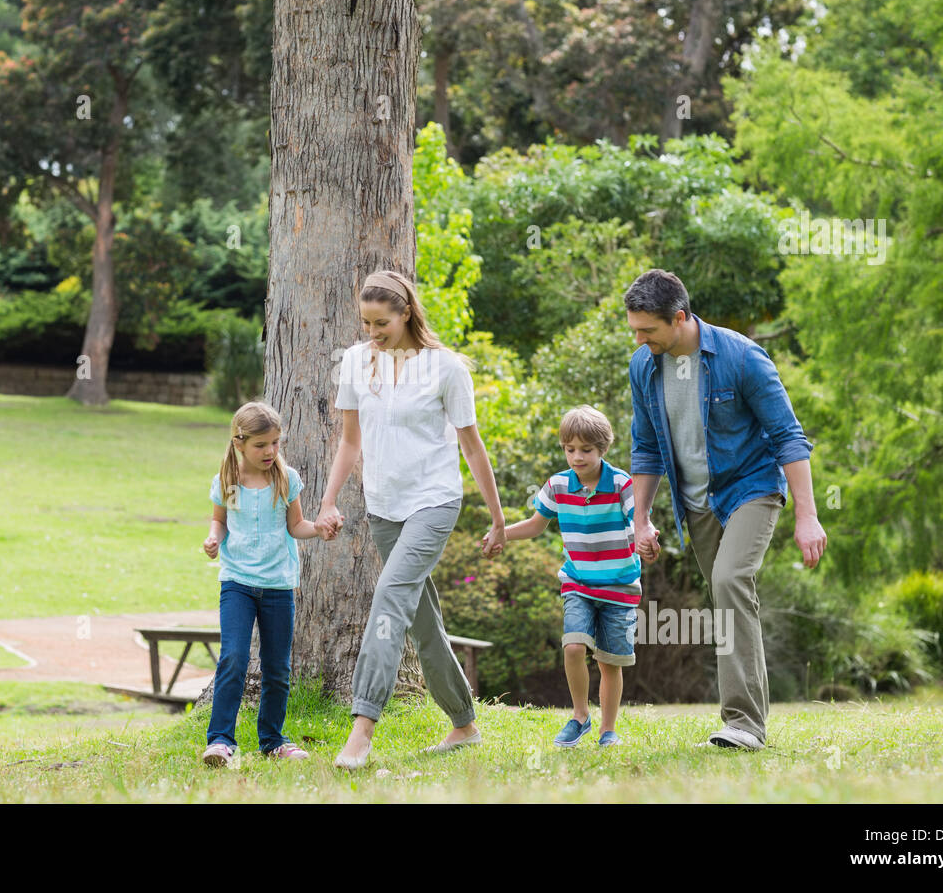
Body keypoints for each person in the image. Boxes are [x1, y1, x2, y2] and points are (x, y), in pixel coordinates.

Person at [624, 269, 827, 751]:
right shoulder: (643, 365)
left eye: (647, 330)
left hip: (750, 487)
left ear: (679, 317)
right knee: (729, 599)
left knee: (729, 580)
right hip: (696, 503)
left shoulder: (741, 357)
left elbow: (788, 437)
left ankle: (743, 725)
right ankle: (748, 721)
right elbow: (647, 447)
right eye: (635, 329)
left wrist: (807, 515)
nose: (639, 339)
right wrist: (641, 517)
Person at [317, 269, 506, 770]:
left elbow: (470, 443)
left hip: (434, 501)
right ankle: (464, 724)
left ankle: (362, 729)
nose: (372, 333)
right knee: (423, 622)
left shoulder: (446, 369)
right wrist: (329, 501)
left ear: (406, 314)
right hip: (383, 505)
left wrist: (498, 516)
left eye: (382, 323)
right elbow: (350, 441)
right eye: (366, 323)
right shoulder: (357, 363)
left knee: (389, 598)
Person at [490, 406, 641, 749]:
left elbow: (639, 520)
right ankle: (579, 716)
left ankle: (608, 731)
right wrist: (501, 533)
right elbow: (536, 524)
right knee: (573, 646)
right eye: (569, 449)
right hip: (578, 582)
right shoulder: (557, 485)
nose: (576, 456)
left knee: (608, 661)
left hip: (619, 584)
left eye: (585, 450)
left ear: (602, 448)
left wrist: (647, 538)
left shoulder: (621, 483)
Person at [200, 401, 325, 765]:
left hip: (277, 586)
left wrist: (318, 528)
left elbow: (296, 526)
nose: (270, 451)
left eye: (274, 443)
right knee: (234, 658)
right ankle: (220, 740)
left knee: (277, 667)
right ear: (240, 443)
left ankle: (273, 740)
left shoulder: (286, 479)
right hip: (237, 583)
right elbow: (219, 521)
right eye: (260, 445)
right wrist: (212, 538)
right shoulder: (228, 481)